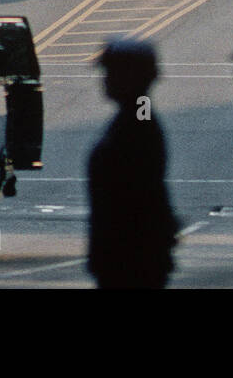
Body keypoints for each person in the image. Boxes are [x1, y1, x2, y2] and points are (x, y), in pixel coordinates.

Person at [87, 40, 179, 289]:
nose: (105, 79)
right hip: (130, 256)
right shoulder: (131, 119)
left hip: (130, 259)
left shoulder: (135, 125)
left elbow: (132, 200)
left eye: (112, 72)